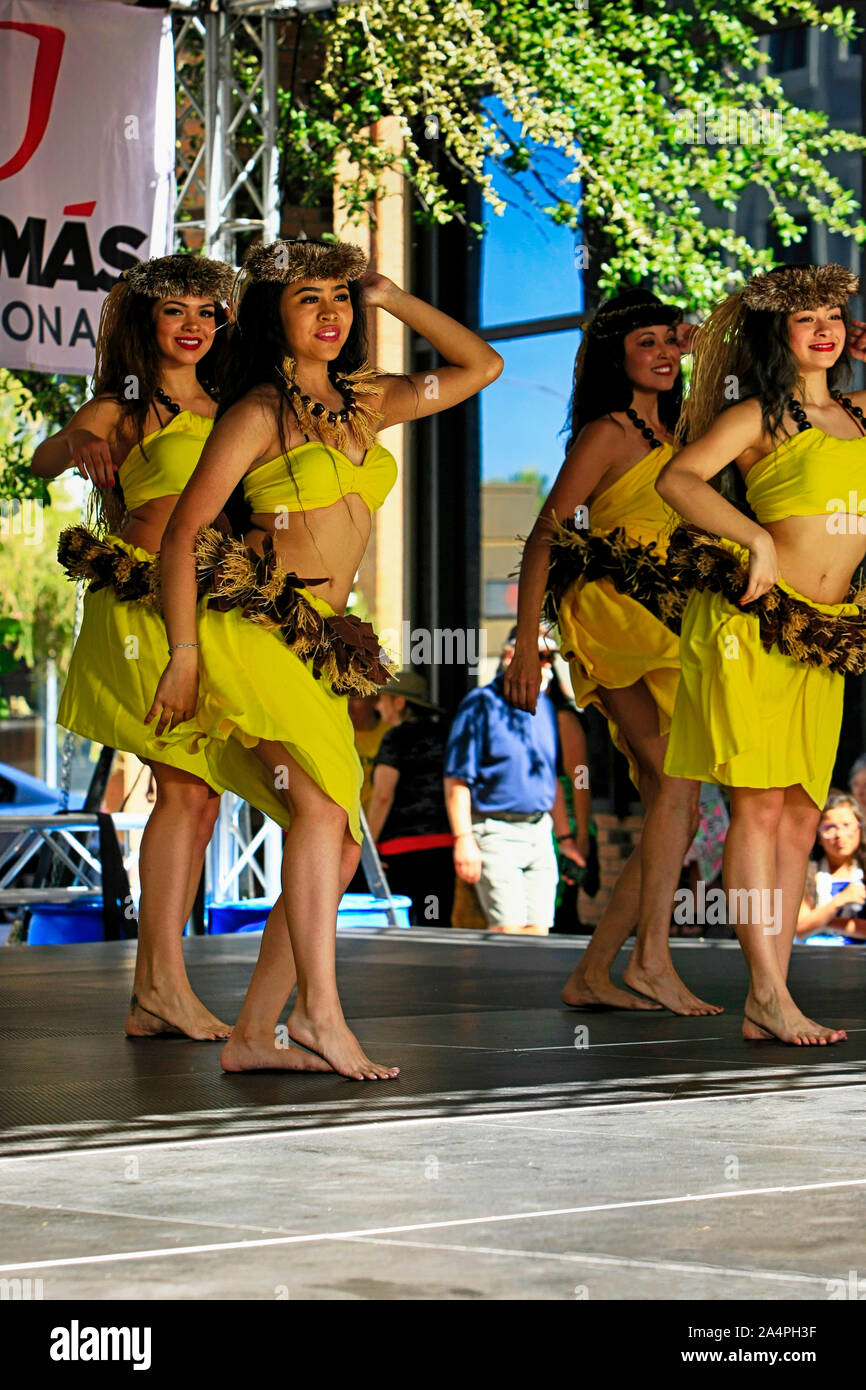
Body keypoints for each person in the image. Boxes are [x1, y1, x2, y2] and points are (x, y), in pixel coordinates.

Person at [151, 237, 503, 1079]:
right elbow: (181, 536)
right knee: (320, 816)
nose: (333, 312)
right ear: (276, 316)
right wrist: (184, 651)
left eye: (341, 299)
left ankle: (251, 1034)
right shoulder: (257, 413)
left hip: (322, 646)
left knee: (342, 842)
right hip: (254, 630)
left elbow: (482, 364)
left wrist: (390, 293)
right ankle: (319, 1012)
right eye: (310, 297)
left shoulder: (370, 403)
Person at [658, 261, 866, 1044]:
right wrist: (751, 537)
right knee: (758, 805)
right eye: (806, 317)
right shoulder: (758, 417)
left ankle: (768, 996)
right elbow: (679, 480)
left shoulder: (860, 411)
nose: (824, 328)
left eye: (835, 317)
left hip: (827, 635)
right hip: (751, 626)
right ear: (778, 334)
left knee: (802, 814)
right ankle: (769, 990)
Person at [38, 254, 236, 1041]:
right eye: (175, 311)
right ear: (147, 323)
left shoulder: (233, 405)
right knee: (186, 791)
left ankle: (157, 988)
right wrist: (77, 446)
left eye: (206, 312)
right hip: (142, 610)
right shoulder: (125, 404)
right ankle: (160, 984)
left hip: (218, 611)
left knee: (204, 794)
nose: (192, 326)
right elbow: (44, 457)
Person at [505, 289, 714, 1013]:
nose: (661, 353)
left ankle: (594, 970)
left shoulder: (688, 432)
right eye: (644, 343)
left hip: (671, 622)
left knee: (676, 805)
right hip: (610, 615)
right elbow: (542, 537)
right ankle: (651, 960)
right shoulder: (607, 431)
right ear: (616, 358)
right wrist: (527, 643)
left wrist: (699, 335)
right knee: (673, 776)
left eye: (669, 341)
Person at [444, 628, 584, 934]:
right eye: (542, 657)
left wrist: (566, 840)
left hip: (539, 831)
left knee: (538, 932)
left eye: (551, 658)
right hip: (494, 831)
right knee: (509, 933)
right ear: (511, 656)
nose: (547, 665)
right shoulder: (480, 704)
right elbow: (457, 778)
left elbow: (551, 780)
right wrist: (463, 839)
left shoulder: (545, 707)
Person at [366, 669, 454, 926]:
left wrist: (369, 847)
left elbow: (383, 796)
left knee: (403, 926)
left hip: (401, 849)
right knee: (436, 922)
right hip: (442, 846)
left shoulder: (395, 738)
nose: (378, 706)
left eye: (383, 699)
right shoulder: (445, 736)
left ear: (400, 702)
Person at [796, 791, 866, 943]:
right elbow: (800, 928)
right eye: (829, 828)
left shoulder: (863, 871)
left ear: (859, 827)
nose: (839, 834)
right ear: (818, 836)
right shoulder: (807, 872)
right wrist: (839, 901)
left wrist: (821, 921)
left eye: (847, 825)